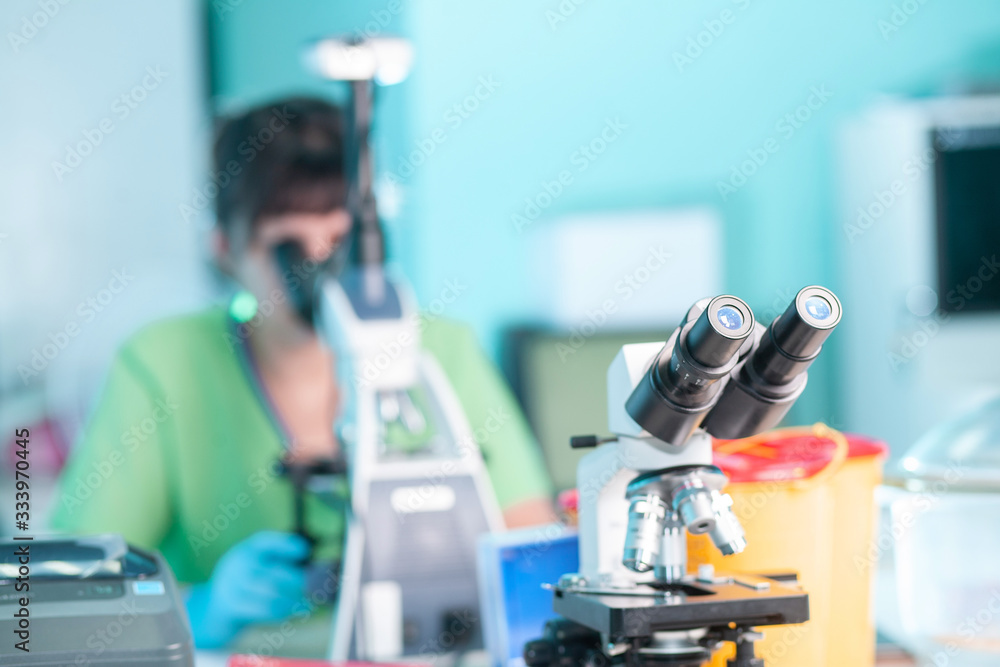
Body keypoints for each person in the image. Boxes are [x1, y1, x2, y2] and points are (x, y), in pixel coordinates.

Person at [50, 96, 555, 654]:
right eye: (290, 251)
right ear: (225, 249)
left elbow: (530, 556)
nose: (323, 276)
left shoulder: (440, 350)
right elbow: (72, 599)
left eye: (340, 247)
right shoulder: (163, 365)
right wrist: (200, 608)